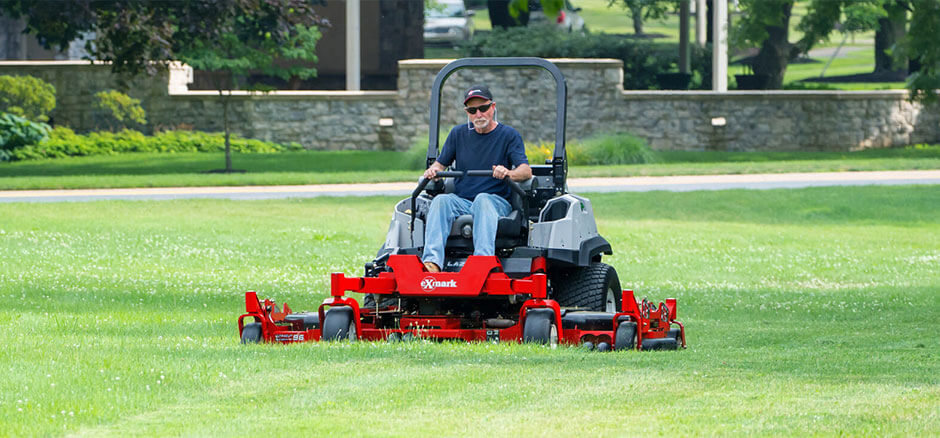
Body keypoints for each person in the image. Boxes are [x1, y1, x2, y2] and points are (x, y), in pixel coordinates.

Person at [421, 84, 532, 273]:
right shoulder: (458, 134)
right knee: (441, 200)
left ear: (493, 107)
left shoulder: (508, 135)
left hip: (496, 201)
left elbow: (526, 171)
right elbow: (440, 164)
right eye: (472, 110)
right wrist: (433, 171)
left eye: (483, 108)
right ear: (467, 112)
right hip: (463, 201)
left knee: (483, 199)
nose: (478, 114)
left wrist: (508, 173)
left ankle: (482, 262)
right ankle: (432, 262)